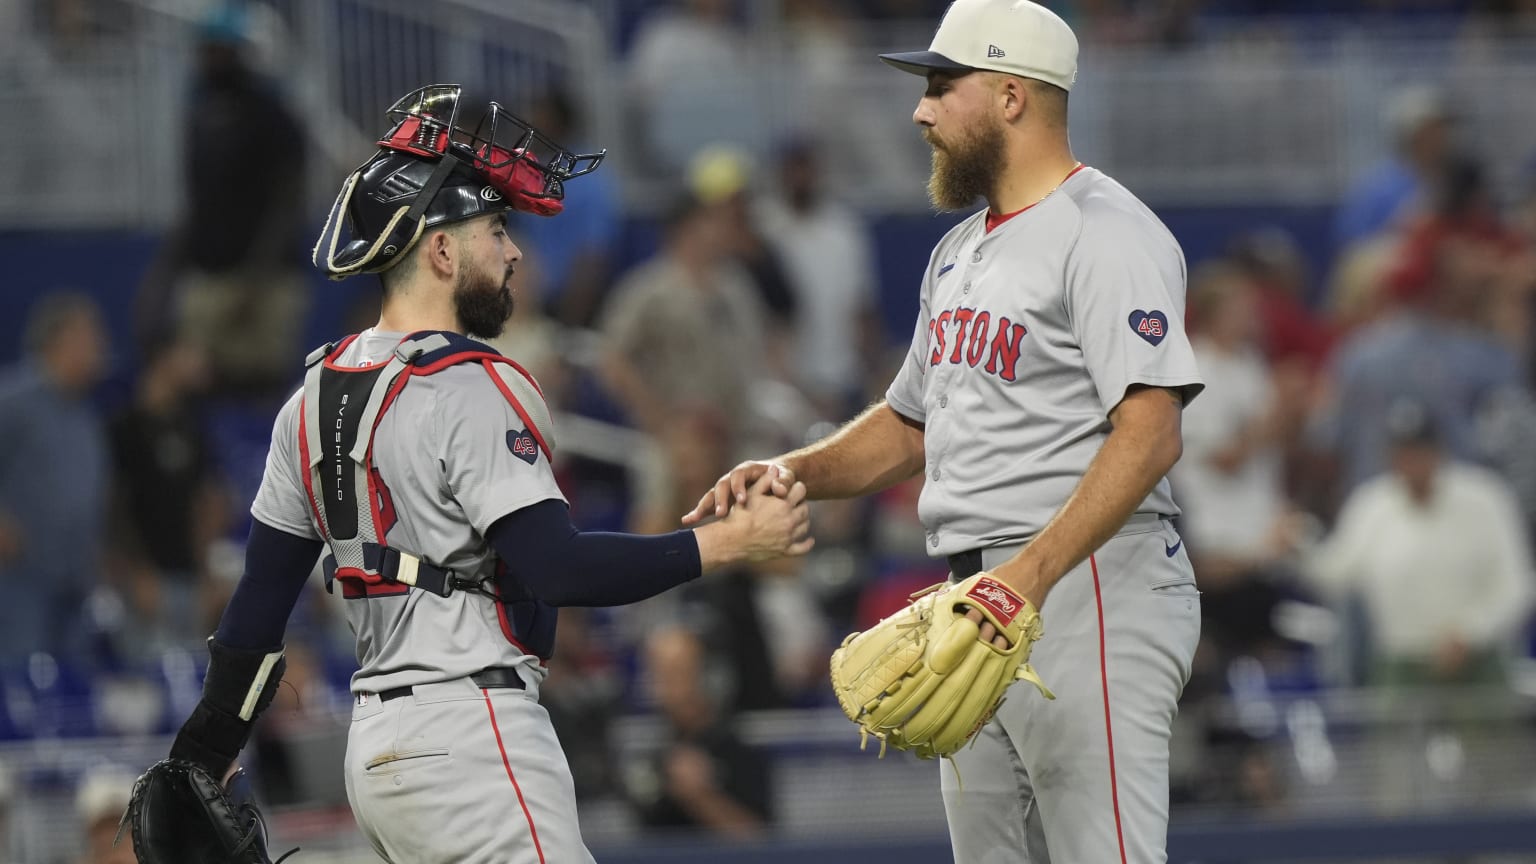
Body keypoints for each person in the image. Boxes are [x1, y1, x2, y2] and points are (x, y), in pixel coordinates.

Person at [150, 84, 813, 864]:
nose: (514, 252)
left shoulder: (313, 396)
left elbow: (254, 617)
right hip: (473, 733)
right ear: (439, 250)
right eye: (496, 228)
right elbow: (557, 567)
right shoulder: (474, 382)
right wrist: (728, 541)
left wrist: (199, 753)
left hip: (380, 755)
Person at [684, 2, 1204, 861]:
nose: (920, 113)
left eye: (939, 86)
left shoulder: (1106, 233)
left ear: (1010, 96)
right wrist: (790, 471)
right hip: (977, 599)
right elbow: (906, 425)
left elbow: (1151, 433)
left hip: (1087, 584)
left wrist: (1027, 579)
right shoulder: (962, 248)